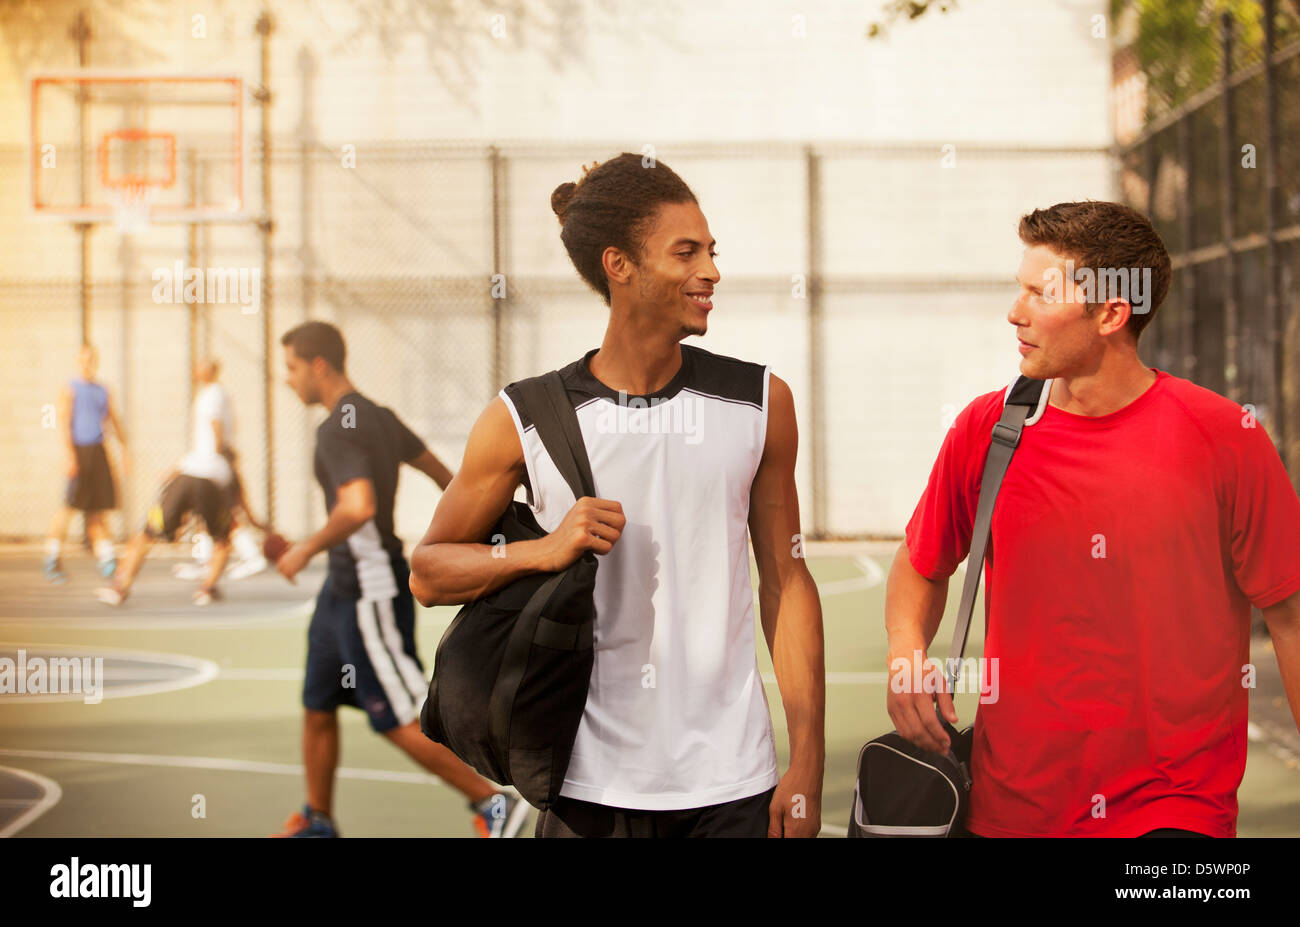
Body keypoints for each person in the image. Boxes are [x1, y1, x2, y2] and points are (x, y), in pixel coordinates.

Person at [409, 154, 826, 838]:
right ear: (619, 265)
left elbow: (786, 579)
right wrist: (542, 551)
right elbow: (429, 571)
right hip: (585, 790)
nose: (712, 271)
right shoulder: (527, 416)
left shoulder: (759, 403)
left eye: (712, 252)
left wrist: (806, 759)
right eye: (686, 252)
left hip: (732, 783)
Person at [886, 200, 1300, 837]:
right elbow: (922, 564)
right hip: (1010, 814)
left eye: (1039, 293)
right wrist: (906, 655)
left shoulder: (1225, 438)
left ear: (1111, 312)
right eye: (1018, 287)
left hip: (1177, 810)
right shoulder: (988, 430)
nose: (1014, 311)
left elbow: (1291, 617)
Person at [273, 321, 526, 838]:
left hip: (369, 590)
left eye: (292, 368)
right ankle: (317, 820)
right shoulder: (379, 417)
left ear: (319, 366)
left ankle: (494, 803)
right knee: (318, 701)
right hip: (340, 592)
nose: (288, 379)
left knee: (395, 714)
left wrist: (304, 547)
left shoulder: (335, 429)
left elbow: (358, 505)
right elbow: (446, 478)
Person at [97, 357, 241, 607]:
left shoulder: (212, 395)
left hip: (194, 475)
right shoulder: (213, 395)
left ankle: (121, 586)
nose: (195, 369)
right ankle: (206, 589)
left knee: (147, 533)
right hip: (203, 475)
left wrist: (218, 451)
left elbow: (214, 430)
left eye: (200, 366)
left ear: (210, 371)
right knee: (222, 538)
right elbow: (208, 444)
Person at [45, 344, 128, 583]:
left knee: (98, 511)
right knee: (68, 508)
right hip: (79, 452)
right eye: (83, 359)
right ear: (77, 361)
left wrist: (124, 450)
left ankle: (107, 561)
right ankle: (52, 558)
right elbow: (63, 422)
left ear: (96, 361)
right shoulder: (70, 388)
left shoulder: (103, 390)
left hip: (98, 452)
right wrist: (70, 455)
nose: (87, 363)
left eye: (91, 359)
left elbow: (114, 420)